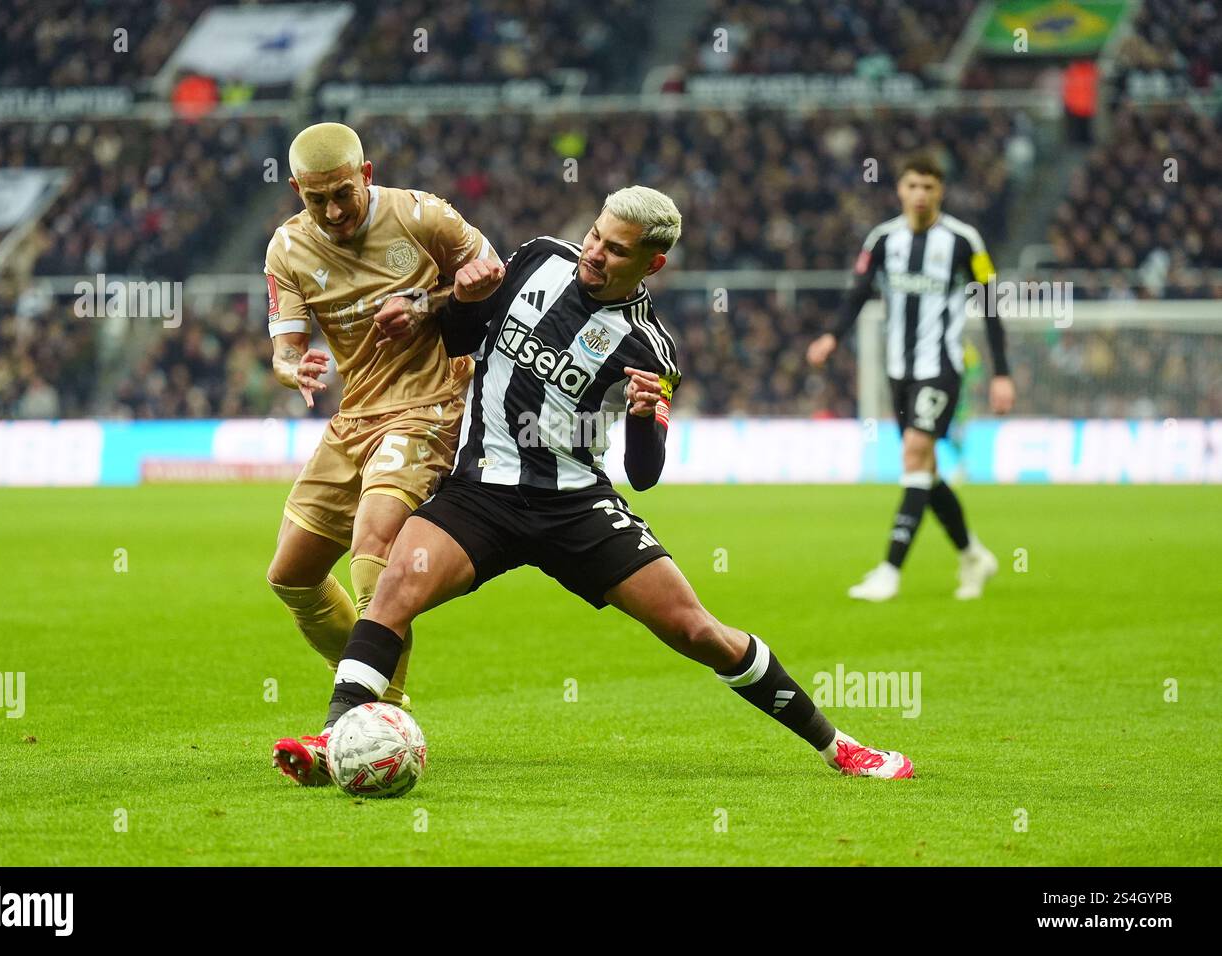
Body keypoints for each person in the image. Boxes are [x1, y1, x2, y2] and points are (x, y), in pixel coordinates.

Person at [273, 186, 914, 786]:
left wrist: (643, 418)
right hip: (481, 493)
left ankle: (840, 747)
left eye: (615, 249)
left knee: (697, 631)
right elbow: (462, 340)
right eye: (594, 236)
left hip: (575, 506)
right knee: (392, 590)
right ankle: (336, 739)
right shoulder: (536, 260)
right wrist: (460, 299)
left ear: (652, 263)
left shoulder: (650, 351)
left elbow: (645, 473)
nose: (594, 253)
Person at [263, 122, 498, 769]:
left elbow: (495, 278)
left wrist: (427, 302)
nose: (334, 212)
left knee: (373, 547)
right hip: (354, 418)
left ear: (366, 174)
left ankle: (370, 726)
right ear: (296, 192)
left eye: (344, 193)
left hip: (429, 408)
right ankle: (383, 703)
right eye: (318, 201)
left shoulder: (424, 217)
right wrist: (295, 368)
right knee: (291, 576)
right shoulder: (286, 248)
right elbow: (284, 348)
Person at [807, 152, 1015, 602]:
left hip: (940, 368)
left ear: (940, 192)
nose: (920, 195)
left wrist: (1002, 373)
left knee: (914, 454)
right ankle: (973, 554)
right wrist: (831, 336)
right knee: (927, 471)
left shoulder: (965, 241)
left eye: (929, 187)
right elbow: (859, 292)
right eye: (912, 186)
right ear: (899, 189)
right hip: (898, 372)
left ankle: (889, 570)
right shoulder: (883, 239)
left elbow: (992, 305)